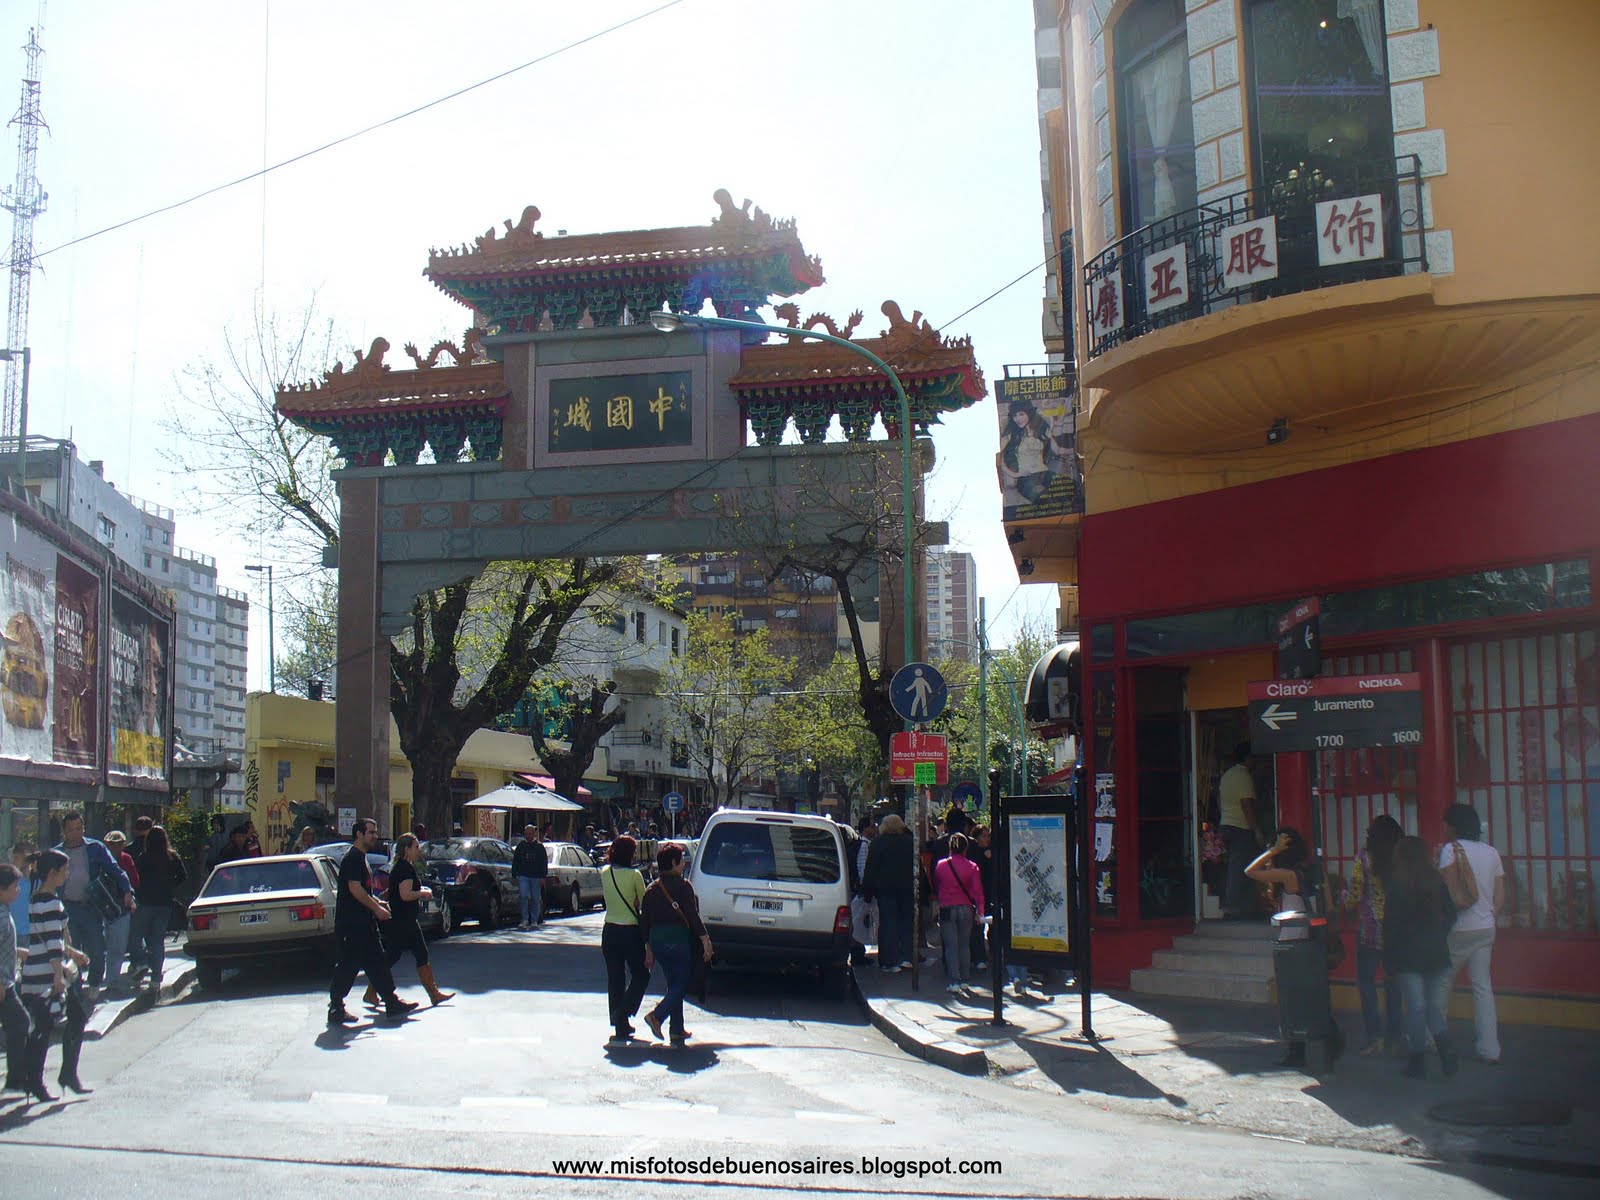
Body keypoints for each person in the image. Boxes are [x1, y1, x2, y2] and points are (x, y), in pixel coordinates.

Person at [1245, 827, 1342, 1068]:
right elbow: (1330, 907)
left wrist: (1272, 851)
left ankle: (1297, 1049)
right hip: (1314, 941)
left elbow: (1250, 871)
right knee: (1314, 995)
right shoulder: (1316, 872)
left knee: (1292, 998)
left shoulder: (1289, 876)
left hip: (1292, 942)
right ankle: (1328, 1039)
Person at [1434, 803, 1505, 1065]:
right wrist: (1489, 915)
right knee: (1482, 987)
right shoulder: (1492, 852)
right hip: (1486, 927)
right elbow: (1500, 895)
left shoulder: (1450, 851)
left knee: (1442, 982)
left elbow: (1443, 892)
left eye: (1445, 822)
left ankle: (1433, 1038)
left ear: (1453, 825)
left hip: (1459, 928)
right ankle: (1490, 1049)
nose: (1443, 827)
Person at [327, 818, 418, 1025]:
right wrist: (377, 909)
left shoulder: (362, 858)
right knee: (348, 965)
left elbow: (363, 891)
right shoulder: (352, 857)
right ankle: (336, 1007)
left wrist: (378, 902)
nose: (375, 836)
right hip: (352, 924)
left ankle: (391, 1002)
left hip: (365, 923)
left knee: (377, 963)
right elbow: (354, 888)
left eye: (375, 832)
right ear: (359, 834)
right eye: (371, 832)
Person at [20, 849, 93, 1101]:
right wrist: (58, 976)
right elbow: (52, 943)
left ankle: (41, 1079)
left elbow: (53, 938)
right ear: (53, 873)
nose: (67, 874)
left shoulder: (38, 898)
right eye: (65, 870)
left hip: (39, 971)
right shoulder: (49, 901)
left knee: (48, 1025)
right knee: (52, 1024)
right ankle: (45, 1079)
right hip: (46, 974)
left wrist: (73, 953)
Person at [1385, 835, 1459, 1079]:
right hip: (1435, 951)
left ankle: (1417, 1059)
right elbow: (1451, 914)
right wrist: (1439, 933)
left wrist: (1389, 958)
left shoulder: (1397, 883)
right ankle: (1446, 1052)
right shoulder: (1435, 880)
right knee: (1433, 1007)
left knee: (1415, 1007)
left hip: (1408, 954)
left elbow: (1391, 925)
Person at [364, 834, 452, 1008]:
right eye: (416, 847)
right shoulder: (405, 868)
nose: (419, 850)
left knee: (393, 955)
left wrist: (390, 893)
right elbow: (405, 894)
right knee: (420, 954)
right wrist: (423, 893)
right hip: (405, 921)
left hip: (400, 919)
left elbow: (397, 890)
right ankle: (434, 994)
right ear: (407, 849)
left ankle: (371, 992)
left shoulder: (401, 867)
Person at [639, 843, 711, 1047]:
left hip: (657, 942)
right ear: (673, 862)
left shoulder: (651, 889)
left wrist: (648, 949)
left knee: (674, 982)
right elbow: (692, 916)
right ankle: (657, 1016)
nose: (684, 864)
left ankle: (677, 1029)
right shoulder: (684, 886)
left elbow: (645, 921)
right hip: (677, 940)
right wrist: (705, 939)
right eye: (681, 861)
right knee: (684, 982)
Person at [52, 811, 132, 992]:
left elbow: (115, 869)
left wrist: (127, 890)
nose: (76, 833)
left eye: (79, 828)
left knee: (96, 949)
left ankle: (95, 983)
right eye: (71, 830)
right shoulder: (57, 853)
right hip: (67, 908)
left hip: (91, 906)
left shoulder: (95, 848)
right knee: (72, 950)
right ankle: (75, 989)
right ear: (64, 832)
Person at [1346, 814, 1404, 1056]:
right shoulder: (1402, 858)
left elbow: (1354, 896)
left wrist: (1339, 898)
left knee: (1367, 983)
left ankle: (1374, 1037)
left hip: (1370, 931)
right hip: (1397, 931)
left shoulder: (1364, 859)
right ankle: (1394, 1038)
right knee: (1394, 985)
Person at [600, 835, 649, 1045]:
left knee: (615, 978)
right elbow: (644, 902)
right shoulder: (635, 875)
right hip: (629, 930)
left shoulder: (605, 872)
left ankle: (620, 1023)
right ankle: (623, 1011)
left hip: (609, 930)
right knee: (641, 974)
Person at [130, 826, 186, 992]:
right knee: (157, 940)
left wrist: (140, 893)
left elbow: (136, 879)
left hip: (146, 903)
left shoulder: (144, 858)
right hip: (164, 903)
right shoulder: (172, 857)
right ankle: (155, 978)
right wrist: (170, 886)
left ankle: (142, 962)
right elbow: (183, 876)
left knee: (136, 935)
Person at [932, 832, 985, 995]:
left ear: (950, 847)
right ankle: (965, 979)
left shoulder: (941, 865)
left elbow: (937, 884)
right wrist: (981, 911)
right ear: (965, 849)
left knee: (950, 946)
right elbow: (978, 891)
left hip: (947, 908)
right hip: (966, 908)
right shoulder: (972, 866)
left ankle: (954, 980)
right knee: (964, 944)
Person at [862, 813, 915, 973]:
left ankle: (889, 961)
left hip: (885, 889)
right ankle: (906, 957)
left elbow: (871, 868)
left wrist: (867, 891)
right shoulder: (909, 842)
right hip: (907, 887)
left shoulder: (878, 843)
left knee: (887, 924)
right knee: (906, 923)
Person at [1220, 743, 1262, 920]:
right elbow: (1246, 805)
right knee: (1242, 869)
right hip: (1240, 827)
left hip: (1226, 824)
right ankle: (1235, 907)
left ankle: (1238, 906)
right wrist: (1256, 829)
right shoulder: (1244, 776)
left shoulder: (1227, 775)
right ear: (1248, 758)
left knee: (1234, 866)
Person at [1, 863, 30, 1096]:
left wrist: (18, 951)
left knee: (18, 1023)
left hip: (7, 981)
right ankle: (15, 1080)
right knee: (20, 1022)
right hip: (3, 984)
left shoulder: (4, 910)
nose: (18, 890)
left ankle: (16, 1079)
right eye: (14, 886)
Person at [101, 831, 140, 993]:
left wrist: (128, 895)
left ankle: (112, 978)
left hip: (121, 906)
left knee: (117, 945)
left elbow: (134, 881)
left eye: (119, 844)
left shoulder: (126, 859)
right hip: (101, 904)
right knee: (100, 944)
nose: (116, 847)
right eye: (112, 844)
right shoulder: (100, 858)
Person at [512, 824, 548, 930]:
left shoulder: (539, 847)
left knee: (535, 898)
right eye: (526, 834)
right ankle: (524, 919)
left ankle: (534, 920)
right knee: (523, 896)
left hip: (536, 876)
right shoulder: (521, 846)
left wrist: (543, 876)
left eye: (530, 833)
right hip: (523, 875)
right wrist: (514, 875)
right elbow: (515, 861)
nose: (528, 836)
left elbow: (543, 862)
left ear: (534, 834)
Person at [9, 841, 36, 941]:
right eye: (14, 857)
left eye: (17, 858)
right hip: (11, 932)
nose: (13, 861)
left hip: (31, 932)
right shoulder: (9, 881)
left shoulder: (37, 882)